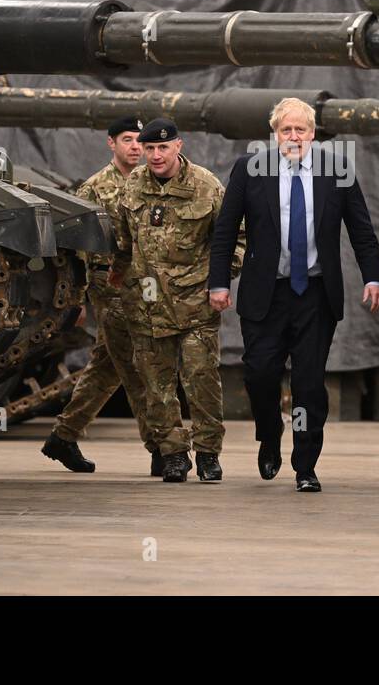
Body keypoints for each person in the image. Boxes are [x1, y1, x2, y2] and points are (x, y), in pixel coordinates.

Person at [208, 97, 379, 493]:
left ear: (312, 133)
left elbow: (361, 229)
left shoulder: (336, 169)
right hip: (265, 292)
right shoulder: (250, 169)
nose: (293, 137)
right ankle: (270, 435)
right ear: (274, 135)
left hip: (315, 294)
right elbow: (224, 231)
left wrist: (374, 278)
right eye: (285, 130)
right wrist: (218, 282)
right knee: (260, 373)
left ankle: (306, 465)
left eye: (299, 130)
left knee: (308, 383)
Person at [109, 118, 242, 483]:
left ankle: (209, 453)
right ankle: (173, 454)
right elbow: (121, 241)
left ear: (178, 146)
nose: (154, 155)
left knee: (201, 378)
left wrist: (218, 282)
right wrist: (116, 282)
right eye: (148, 148)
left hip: (194, 303)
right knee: (156, 385)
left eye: (162, 148)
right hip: (146, 304)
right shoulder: (132, 185)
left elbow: (234, 238)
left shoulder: (206, 186)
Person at [41, 116, 164, 476]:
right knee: (136, 365)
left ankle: (63, 436)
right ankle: (160, 447)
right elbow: (72, 249)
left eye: (139, 140)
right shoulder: (94, 189)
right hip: (107, 287)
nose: (136, 147)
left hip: (145, 286)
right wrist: (74, 298)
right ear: (111, 144)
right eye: (127, 139)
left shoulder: (151, 183)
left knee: (107, 367)